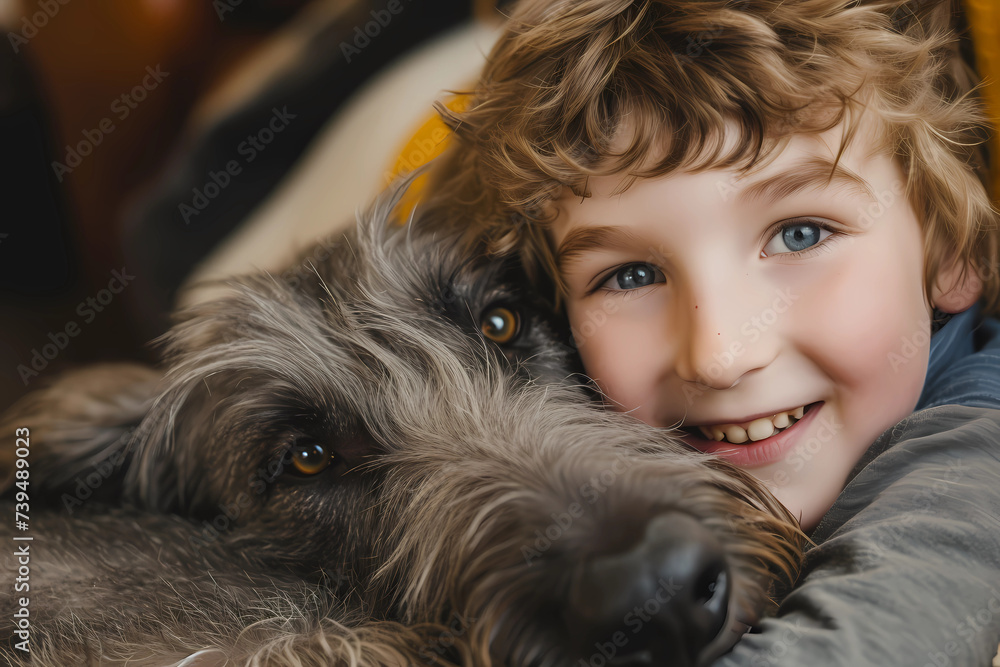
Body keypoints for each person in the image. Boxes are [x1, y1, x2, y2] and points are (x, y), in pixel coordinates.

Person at [419, 0, 1000, 664]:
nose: (720, 355)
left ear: (951, 249)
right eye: (632, 275)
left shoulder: (979, 453)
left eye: (798, 234)